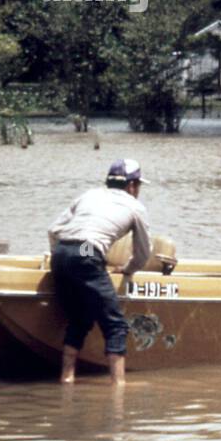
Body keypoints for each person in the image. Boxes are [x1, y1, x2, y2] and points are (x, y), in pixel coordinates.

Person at [47, 159, 152, 384]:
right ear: (132, 186)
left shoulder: (88, 195)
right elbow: (144, 252)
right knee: (116, 326)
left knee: (80, 319)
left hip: (62, 253)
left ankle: (67, 379)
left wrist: (60, 257)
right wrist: (128, 269)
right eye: (138, 186)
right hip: (88, 254)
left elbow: (53, 230)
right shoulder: (135, 207)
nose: (138, 191)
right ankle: (119, 387)